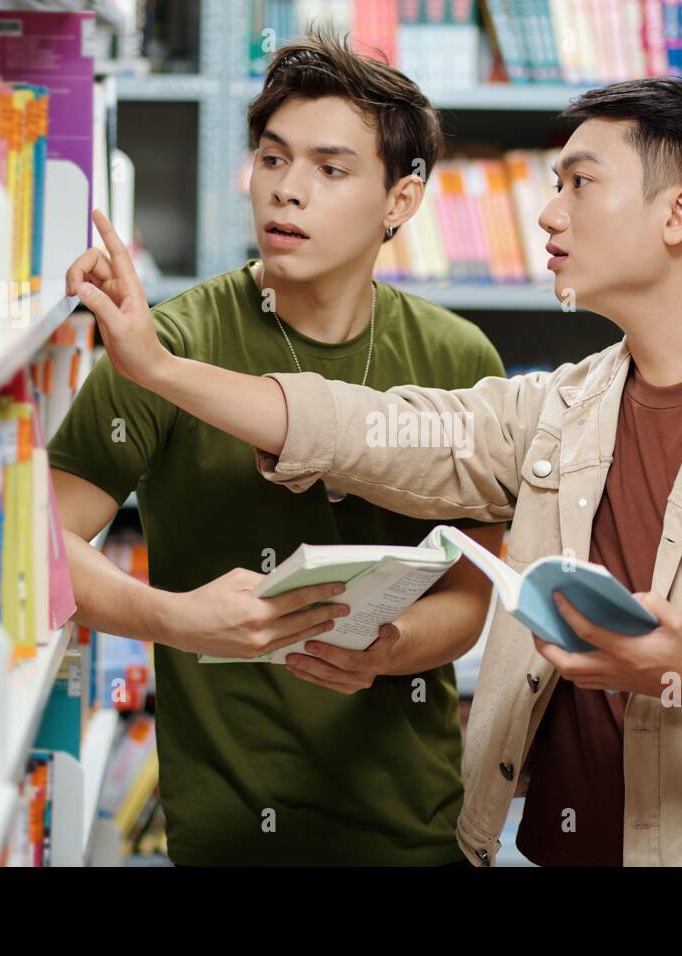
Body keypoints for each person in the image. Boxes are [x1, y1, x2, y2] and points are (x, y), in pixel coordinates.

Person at [72, 77, 682, 867]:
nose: (548, 213)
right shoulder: (565, 407)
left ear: (679, 214)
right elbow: (374, 428)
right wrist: (156, 368)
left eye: (580, 183)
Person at [50, 33, 505, 866]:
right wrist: (179, 620)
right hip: (228, 829)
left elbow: (476, 592)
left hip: (416, 824)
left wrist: (390, 649)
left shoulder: (459, 360)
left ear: (400, 201)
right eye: (272, 158)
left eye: (331, 170)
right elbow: (37, 548)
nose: (287, 191)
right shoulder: (167, 347)